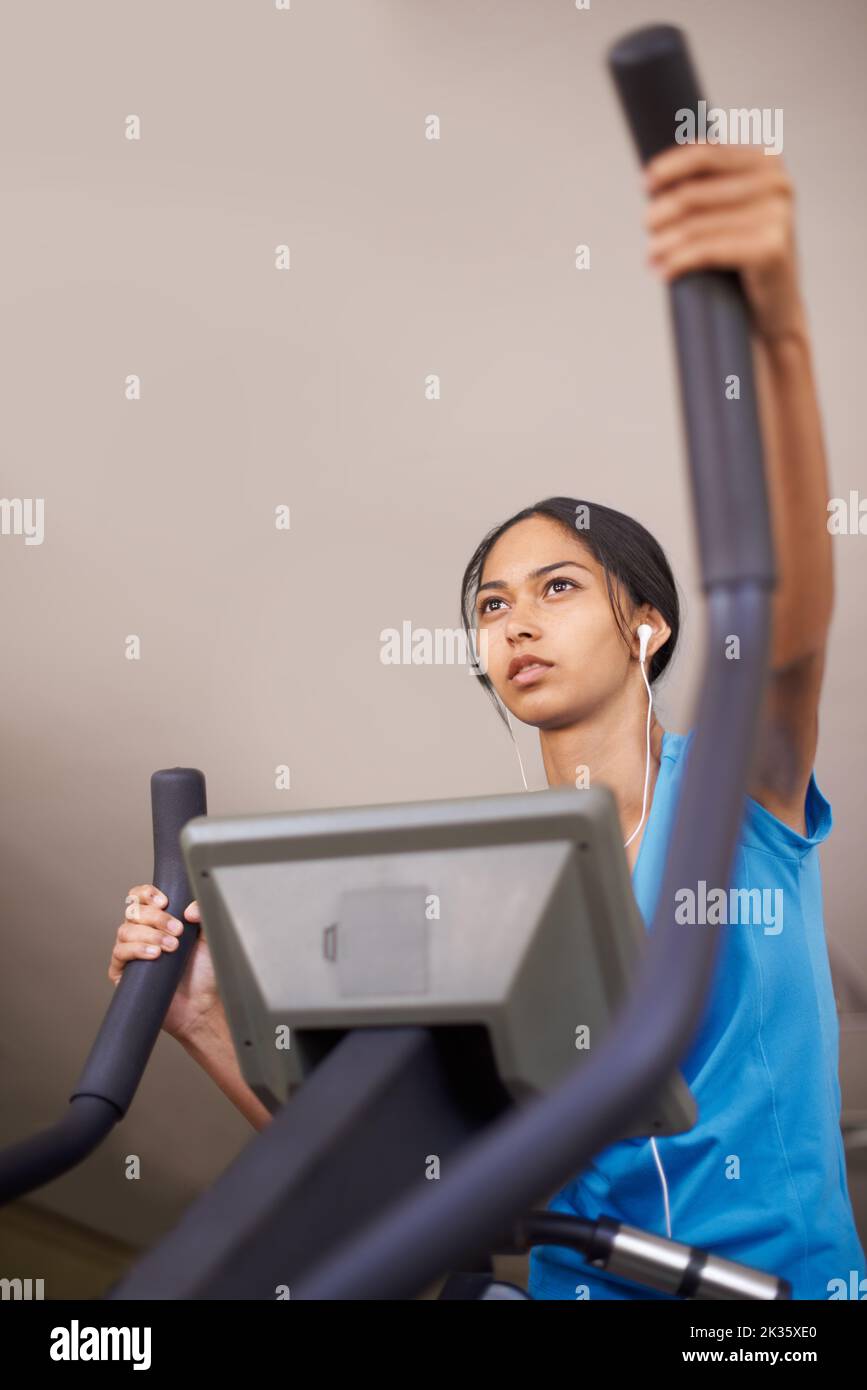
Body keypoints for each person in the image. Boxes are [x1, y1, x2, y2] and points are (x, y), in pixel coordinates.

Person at [108, 141, 866, 1297]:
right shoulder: (491, 896)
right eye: (492, 605)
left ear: (647, 624)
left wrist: (778, 328)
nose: (516, 620)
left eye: (558, 588)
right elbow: (420, 1180)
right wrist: (209, 1018)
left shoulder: (730, 794)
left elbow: (794, 635)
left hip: (772, 1302)